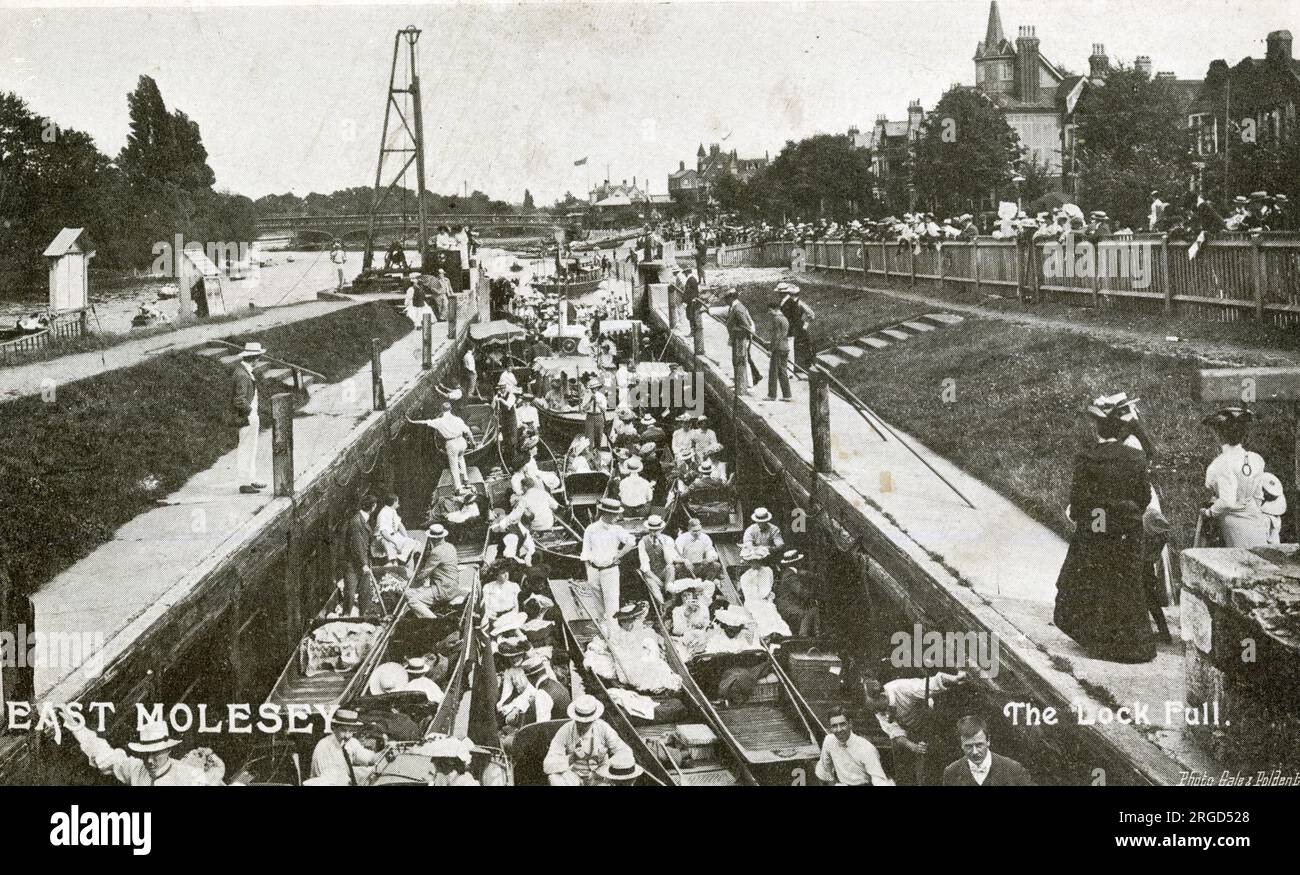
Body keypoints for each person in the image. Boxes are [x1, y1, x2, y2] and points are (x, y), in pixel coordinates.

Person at [1053, 395, 1157, 664]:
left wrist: (1088, 518)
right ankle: (1129, 644)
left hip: (1095, 533)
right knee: (1124, 587)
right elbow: (1143, 498)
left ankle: (1097, 639)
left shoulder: (1087, 458)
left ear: (1097, 427)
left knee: (1092, 582)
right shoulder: (1135, 458)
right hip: (1126, 535)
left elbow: (1077, 505)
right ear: (1120, 428)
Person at [59, 709, 213, 786]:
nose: (150, 761)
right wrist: (75, 726)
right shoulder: (138, 769)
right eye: (145, 754)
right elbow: (105, 756)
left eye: (156, 754)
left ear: (168, 750)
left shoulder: (188, 777)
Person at [1201, 406, 1270, 548]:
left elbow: (1227, 501)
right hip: (1255, 521)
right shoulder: (1256, 459)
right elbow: (1258, 497)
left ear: (1219, 435)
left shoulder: (1220, 464)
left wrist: (1209, 512)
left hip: (1233, 526)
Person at [542, 695, 634, 786]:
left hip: (600, 778)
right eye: (579, 722)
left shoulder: (603, 728)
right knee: (554, 778)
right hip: (574, 777)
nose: (582, 726)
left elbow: (625, 752)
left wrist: (605, 767)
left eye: (587, 723)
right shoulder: (566, 730)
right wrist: (572, 757)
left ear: (594, 720)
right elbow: (547, 765)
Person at [580, 498, 637, 622]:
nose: (618, 517)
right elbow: (585, 551)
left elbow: (632, 541)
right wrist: (588, 571)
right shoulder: (591, 528)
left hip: (610, 571)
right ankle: (603, 630)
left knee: (612, 605)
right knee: (598, 605)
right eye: (616, 515)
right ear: (607, 514)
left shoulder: (617, 530)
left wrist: (620, 554)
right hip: (593, 570)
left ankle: (614, 635)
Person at [941, 715, 1033, 786]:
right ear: (961, 745)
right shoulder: (951, 772)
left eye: (979, 745)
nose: (975, 752)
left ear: (988, 741)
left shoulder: (1013, 769)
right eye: (968, 746)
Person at [816, 708, 894, 786]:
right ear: (830, 728)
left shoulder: (866, 748)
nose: (839, 730)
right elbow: (824, 770)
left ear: (850, 724)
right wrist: (832, 783)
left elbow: (879, 780)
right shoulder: (829, 741)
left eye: (842, 724)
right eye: (834, 726)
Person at [311, 708, 381, 786]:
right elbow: (330, 781)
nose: (348, 736)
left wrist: (387, 749)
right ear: (334, 728)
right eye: (343, 730)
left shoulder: (350, 742)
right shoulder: (324, 747)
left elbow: (369, 758)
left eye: (351, 731)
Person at [404, 524, 463, 616]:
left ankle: (434, 622)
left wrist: (410, 577)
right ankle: (428, 613)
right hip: (452, 586)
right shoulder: (450, 547)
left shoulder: (436, 552)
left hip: (443, 589)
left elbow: (423, 574)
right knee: (407, 593)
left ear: (432, 539)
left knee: (412, 601)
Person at [231, 341, 266, 495]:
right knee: (246, 448)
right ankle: (244, 483)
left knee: (251, 448)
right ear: (255, 358)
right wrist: (250, 411)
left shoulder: (243, 371)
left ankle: (250, 479)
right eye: (258, 357)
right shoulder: (243, 375)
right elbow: (239, 400)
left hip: (251, 415)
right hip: (247, 417)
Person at [415, 402, 474, 491]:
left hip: (451, 444)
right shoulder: (458, 419)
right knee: (461, 459)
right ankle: (466, 480)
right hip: (461, 442)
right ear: (451, 409)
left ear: (442, 410)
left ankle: (458, 487)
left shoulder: (439, 421)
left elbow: (425, 422)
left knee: (453, 465)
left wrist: (412, 421)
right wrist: (473, 442)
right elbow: (468, 431)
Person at [737, 545, 791, 640]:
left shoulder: (767, 571)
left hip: (765, 600)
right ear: (749, 562)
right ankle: (766, 635)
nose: (756, 564)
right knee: (760, 612)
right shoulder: (745, 577)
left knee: (771, 611)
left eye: (758, 561)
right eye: (753, 562)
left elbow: (766, 589)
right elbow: (749, 595)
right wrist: (753, 579)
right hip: (752, 602)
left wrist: (768, 599)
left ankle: (778, 634)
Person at [342, 496, 377, 618]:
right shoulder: (357, 522)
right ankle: (346, 615)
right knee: (350, 593)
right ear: (373, 507)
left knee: (365, 591)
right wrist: (364, 564)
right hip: (354, 563)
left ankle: (363, 616)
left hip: (362, 561)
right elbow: (357, 545)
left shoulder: (362, 519)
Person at [775, 549, 820, 637]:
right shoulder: (790, 575)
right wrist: (815, 596)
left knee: (813, 609)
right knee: (809, 612)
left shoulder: (791, 572)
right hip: (787, 606)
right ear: (796, 563)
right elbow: (800, 591)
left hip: (790, 604)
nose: (800, 563)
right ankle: (804, 636)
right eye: (799, 561)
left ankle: (815, 633)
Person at [637, 514, 680, 602]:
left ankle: (670, 598)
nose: (653, 533)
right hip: (650, 573)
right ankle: (661, 605)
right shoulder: (643, 542)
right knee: (654, 587)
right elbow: (645, 566)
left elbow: (669, 562)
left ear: (661, 529)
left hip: (663, 571)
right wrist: (658, 581)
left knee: (670, 568)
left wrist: (664, 546)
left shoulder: (667, 540)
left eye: (656, 530)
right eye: (651, 530)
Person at [723, 288, 755, 395]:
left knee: (742, 360)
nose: (725, 301)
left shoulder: (738, 309)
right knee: (738, 360)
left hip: (741, 339)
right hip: (737, 338)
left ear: (731, 298)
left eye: (726, 298)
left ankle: (748, 384)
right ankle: (740, 381)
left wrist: (736, 330)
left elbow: (746, 326)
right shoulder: (735, 307)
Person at [372, 493, 419, 565]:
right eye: (397, 501)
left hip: (393, 535)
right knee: (391, 547)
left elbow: (400, 525)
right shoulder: (383, 513)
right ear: (394, 502)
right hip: (383, 538)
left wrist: (406, 537)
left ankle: (399, 560)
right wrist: (396, 543)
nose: (398, 503)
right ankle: (393, 563)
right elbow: (384, 532)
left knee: (412, 542)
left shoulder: (393, 511)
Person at [778, 283, 815, 372]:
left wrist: (805, 325)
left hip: (799, 328)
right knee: (794, 348)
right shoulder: (788, 303)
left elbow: (811, 314)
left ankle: (804, 367)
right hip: (794, 328)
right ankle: (796, 368)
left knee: (802, 347)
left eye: (795, 294)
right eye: (792, 294)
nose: (793, 296)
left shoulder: (800, 304)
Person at [766, 300, 792, 402]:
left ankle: (772, 395)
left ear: (775, 309)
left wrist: (771, 350)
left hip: (778, 349)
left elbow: (776, 336)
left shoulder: (776, 319)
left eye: (770, 310)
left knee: (773, 371)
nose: (769, 313)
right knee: (783, 371)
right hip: (785, 347)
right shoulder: (785, 319)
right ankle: (787, 395)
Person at [581, 376, 608, 451]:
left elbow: (604, 410)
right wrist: (590, 401)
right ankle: (589, 453)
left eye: (595, 388)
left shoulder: (601, 396)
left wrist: (597, 402)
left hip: (599, 416)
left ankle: (597, 452)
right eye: (592, 388)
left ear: (598, 387)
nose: (594, 389)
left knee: (599, 436)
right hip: (590, 417)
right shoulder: (586, 395)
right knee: (588, 437)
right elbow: (583, 409)